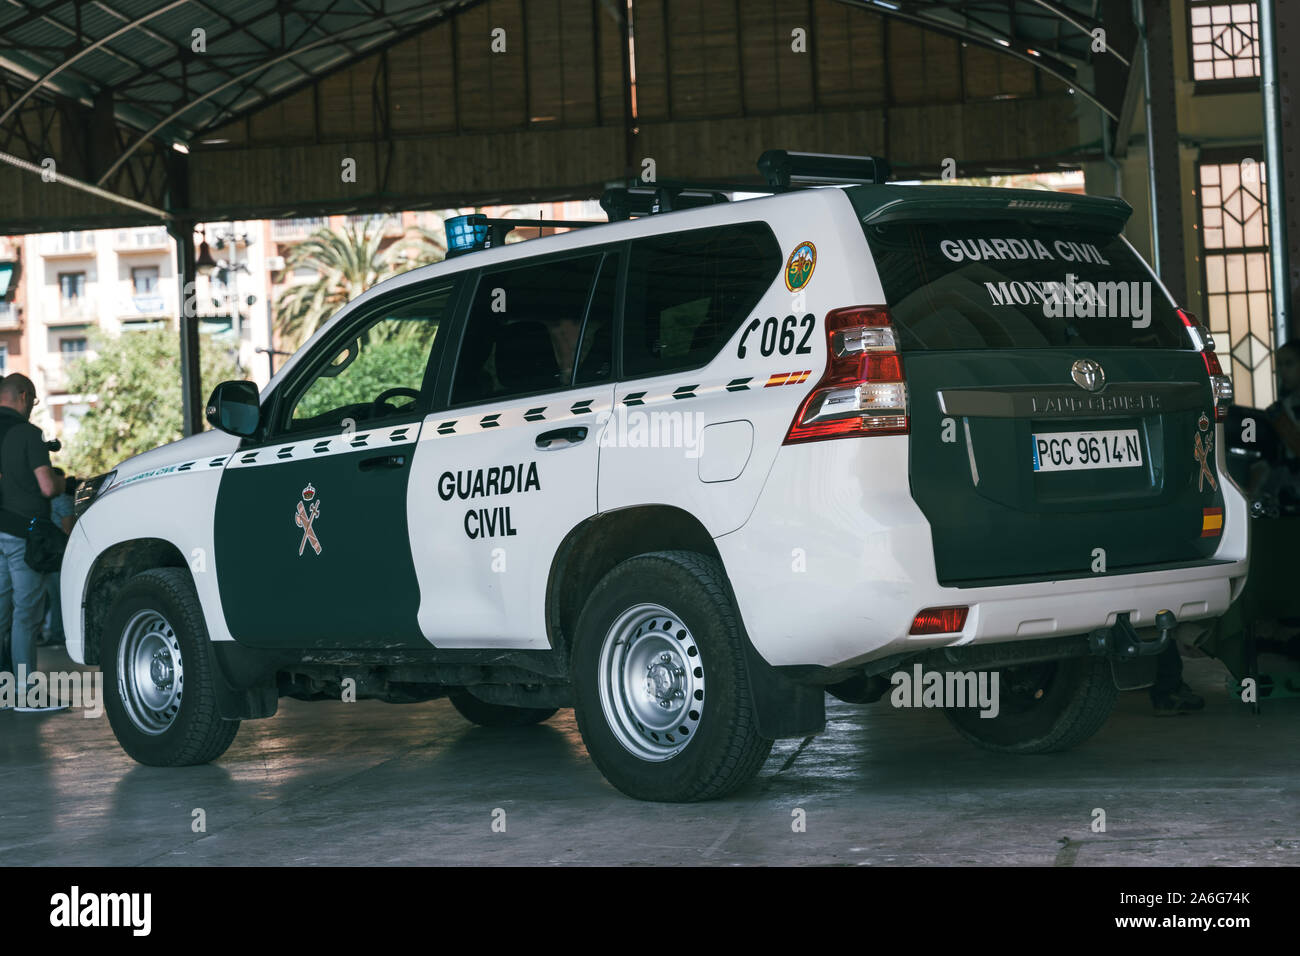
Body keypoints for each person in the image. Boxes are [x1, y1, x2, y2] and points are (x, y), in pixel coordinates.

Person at [0, 373, 66, 712]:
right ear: (24, 396)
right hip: (22, 534)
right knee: (27, 614)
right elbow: (46, 487)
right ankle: (26, 692)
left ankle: (3, 690)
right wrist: (60, 480)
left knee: (2, 613)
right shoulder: (28, 433)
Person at [38, 467, 75, 647]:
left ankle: (49, 633)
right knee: (55, 597)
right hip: (56, 555)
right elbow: (68, 529)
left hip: (47, 554)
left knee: (48, 596)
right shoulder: (62, 500)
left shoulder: (47, 500)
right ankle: (56, 633)